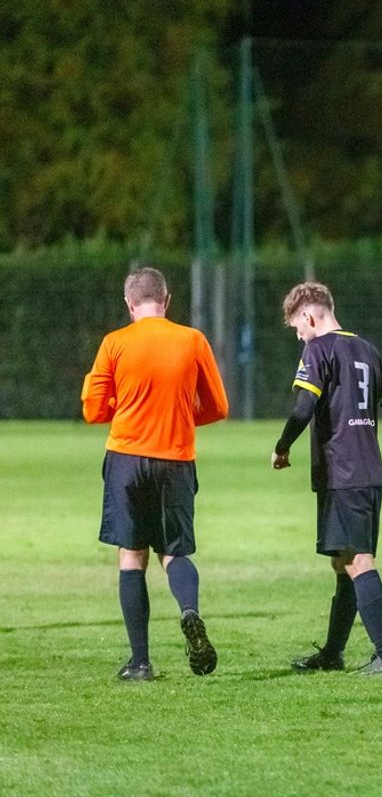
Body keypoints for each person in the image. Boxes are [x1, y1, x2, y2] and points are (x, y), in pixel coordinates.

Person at [81, 266, 228, 681]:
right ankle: (189, 611)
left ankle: (140, 662)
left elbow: (93, 411)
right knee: (175, 552)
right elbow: (218, 407)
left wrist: (124, 408)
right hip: (175, 457)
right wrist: (177, 414)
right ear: (167, 300)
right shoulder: (193, 340)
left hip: (126, 457)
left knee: (131, 556)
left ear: (130, 304)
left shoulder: (114, 343)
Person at [272, 282, 382, 676]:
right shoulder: (367, 349)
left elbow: (304, 407)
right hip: (370, 473)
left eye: (296, 327)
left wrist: (282, 445)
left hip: (343, 473)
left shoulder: (318, 349)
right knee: (343, 561)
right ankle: (333, 653)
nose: (298, 335)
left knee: (357, 560)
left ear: (309, 316)